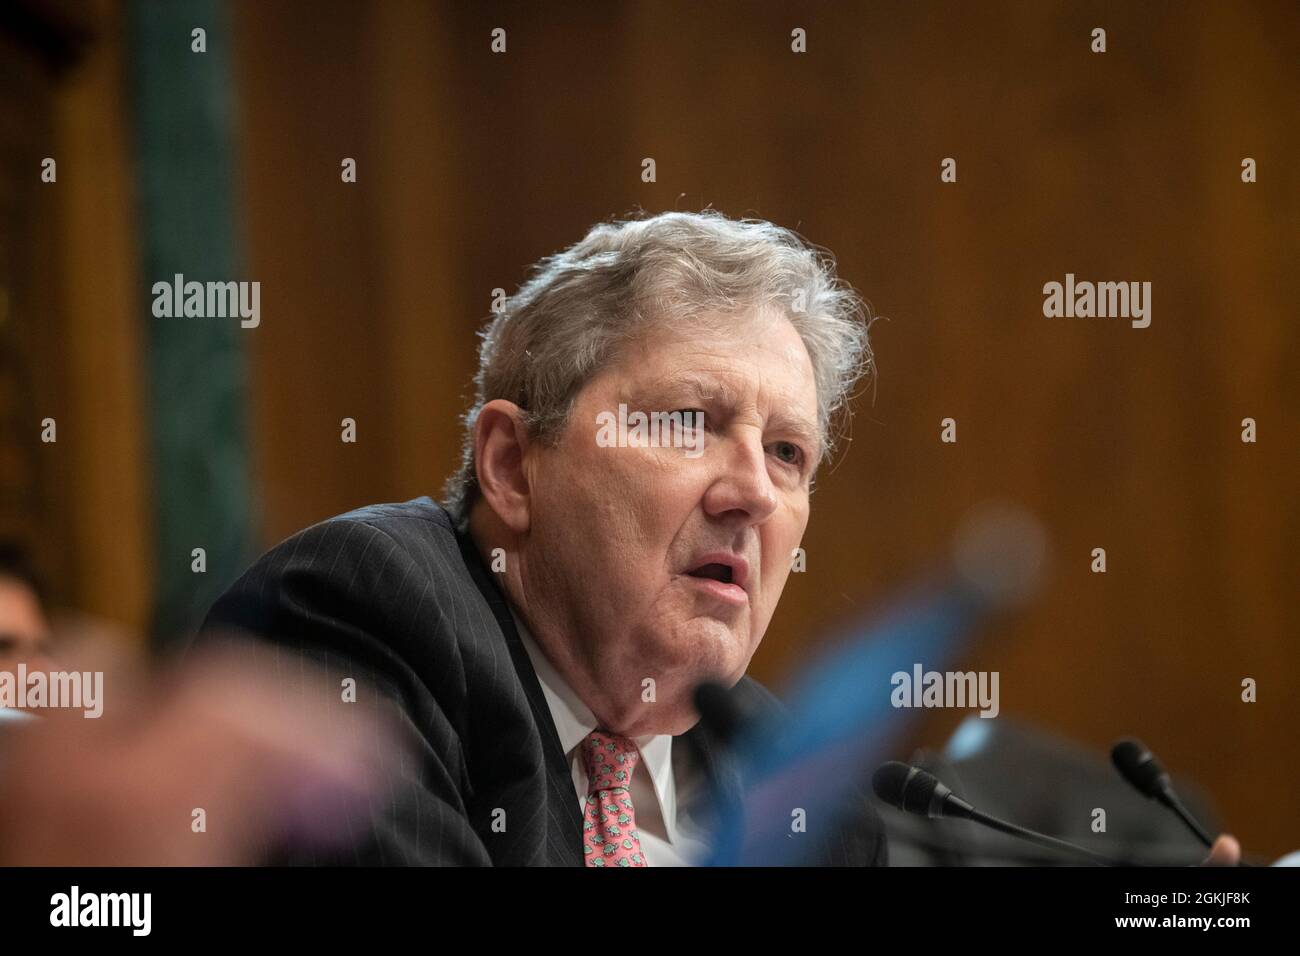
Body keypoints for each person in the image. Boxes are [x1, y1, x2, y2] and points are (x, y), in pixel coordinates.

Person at [201, 210, 890, 866]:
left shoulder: (801, 788)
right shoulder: (364, 612)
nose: (755, 495)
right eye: (688, 421)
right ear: (510, 466)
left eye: (787, 452)